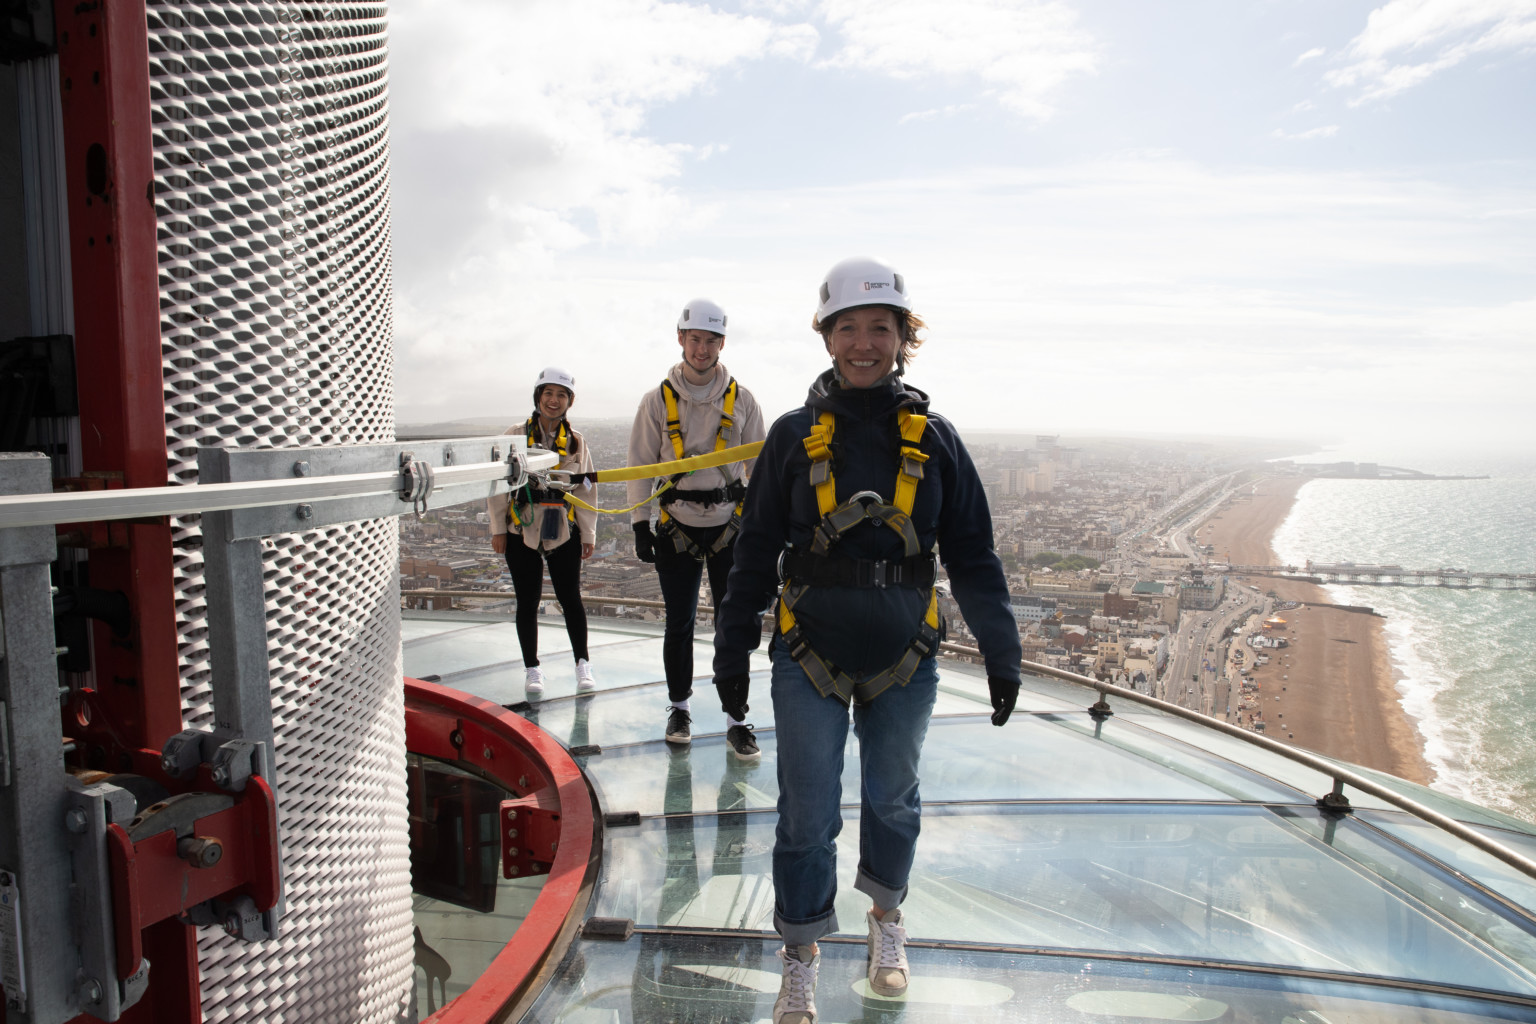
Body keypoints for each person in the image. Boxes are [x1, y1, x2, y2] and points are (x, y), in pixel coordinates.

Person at [710, 258, 1022, 1023]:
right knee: (805, 816)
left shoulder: (936, 440)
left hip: (904, 658)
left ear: (903, 339)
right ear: (826, 338)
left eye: (879, 327)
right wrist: (729, 647)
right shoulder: (791, 437)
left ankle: (887, 920)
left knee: (893, 802)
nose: (862, 342)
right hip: (808, 655)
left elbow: (973, 553)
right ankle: (802, 951)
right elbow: (754, 552)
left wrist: (1000, 647)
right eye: (846, 327)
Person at [628, 298, 765, 755]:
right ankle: (680, 707)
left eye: (710, 341)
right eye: (695, 339)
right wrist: (638, 525)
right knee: (679, 622)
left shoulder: (742, 400)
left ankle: (736, 717)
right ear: (681, 339)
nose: (701, 349)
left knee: (735, 623)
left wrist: (762, 524)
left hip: (729, 523)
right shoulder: (656, 402)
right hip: (677, 524)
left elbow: (759, 464)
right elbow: (640, 464)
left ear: (721, 343)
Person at [488, 366, 597, 694]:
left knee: (570, 597)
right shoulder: (514, 436)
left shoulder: (577, 443)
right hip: (521, 524)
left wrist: (589, 533)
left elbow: (587, 488)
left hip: (562, 524)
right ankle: (533, 668)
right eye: (548, 393)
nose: (554, 400)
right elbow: (496, 484)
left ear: (569, 402)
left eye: (561, 395)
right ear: (538, 397)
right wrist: (497, 529)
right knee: (528, 599)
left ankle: (583, 663)